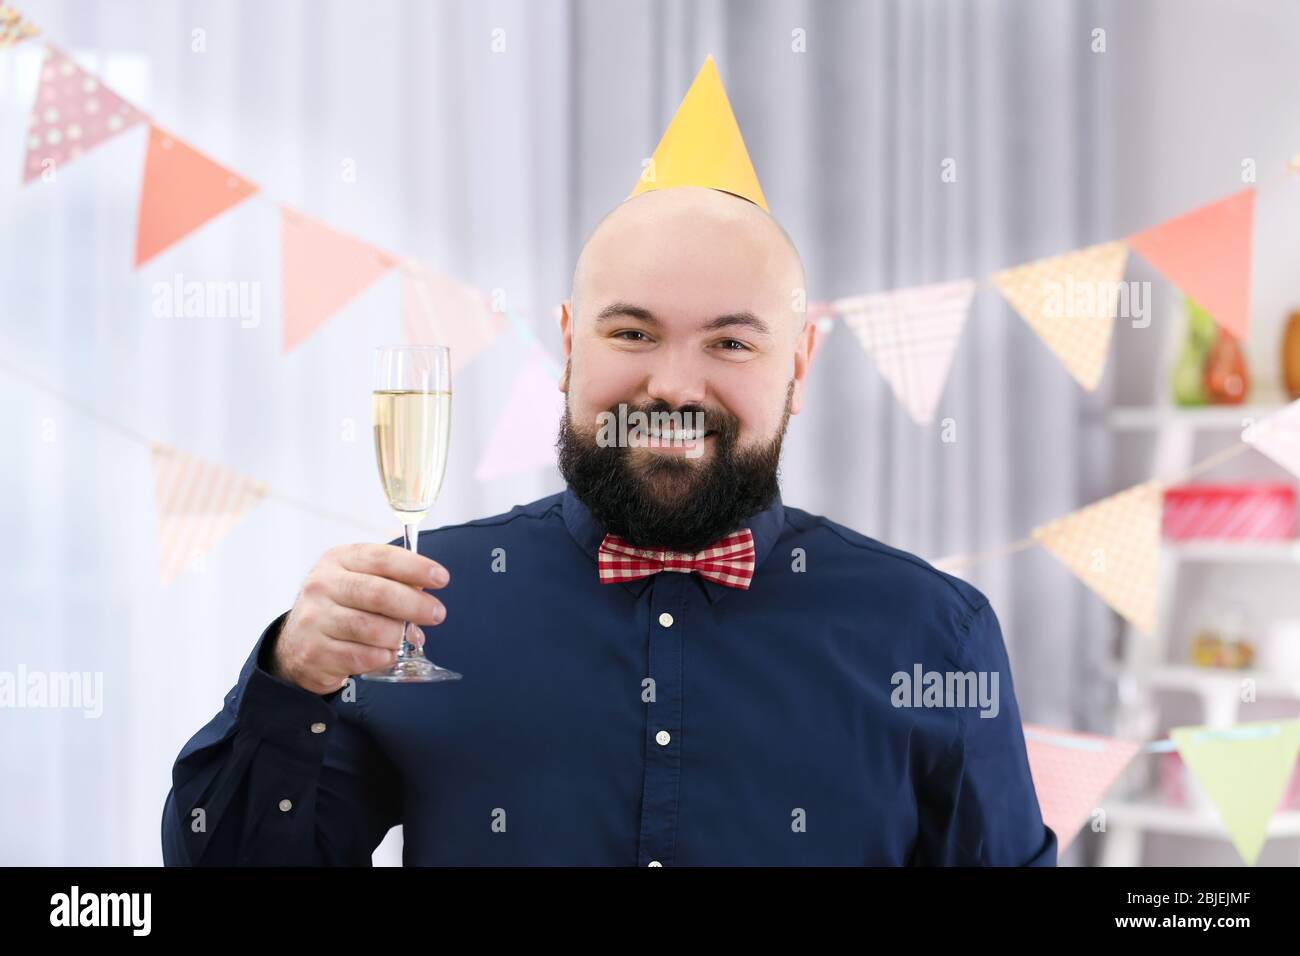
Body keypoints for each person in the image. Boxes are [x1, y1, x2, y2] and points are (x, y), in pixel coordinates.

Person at [162, 57, 1055, 867]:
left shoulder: (935, 633)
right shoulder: (419, 606)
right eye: (632, 332)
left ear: (798, 366)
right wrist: (289, 676)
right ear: (567, 348)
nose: (673, 386)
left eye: (731, 343)